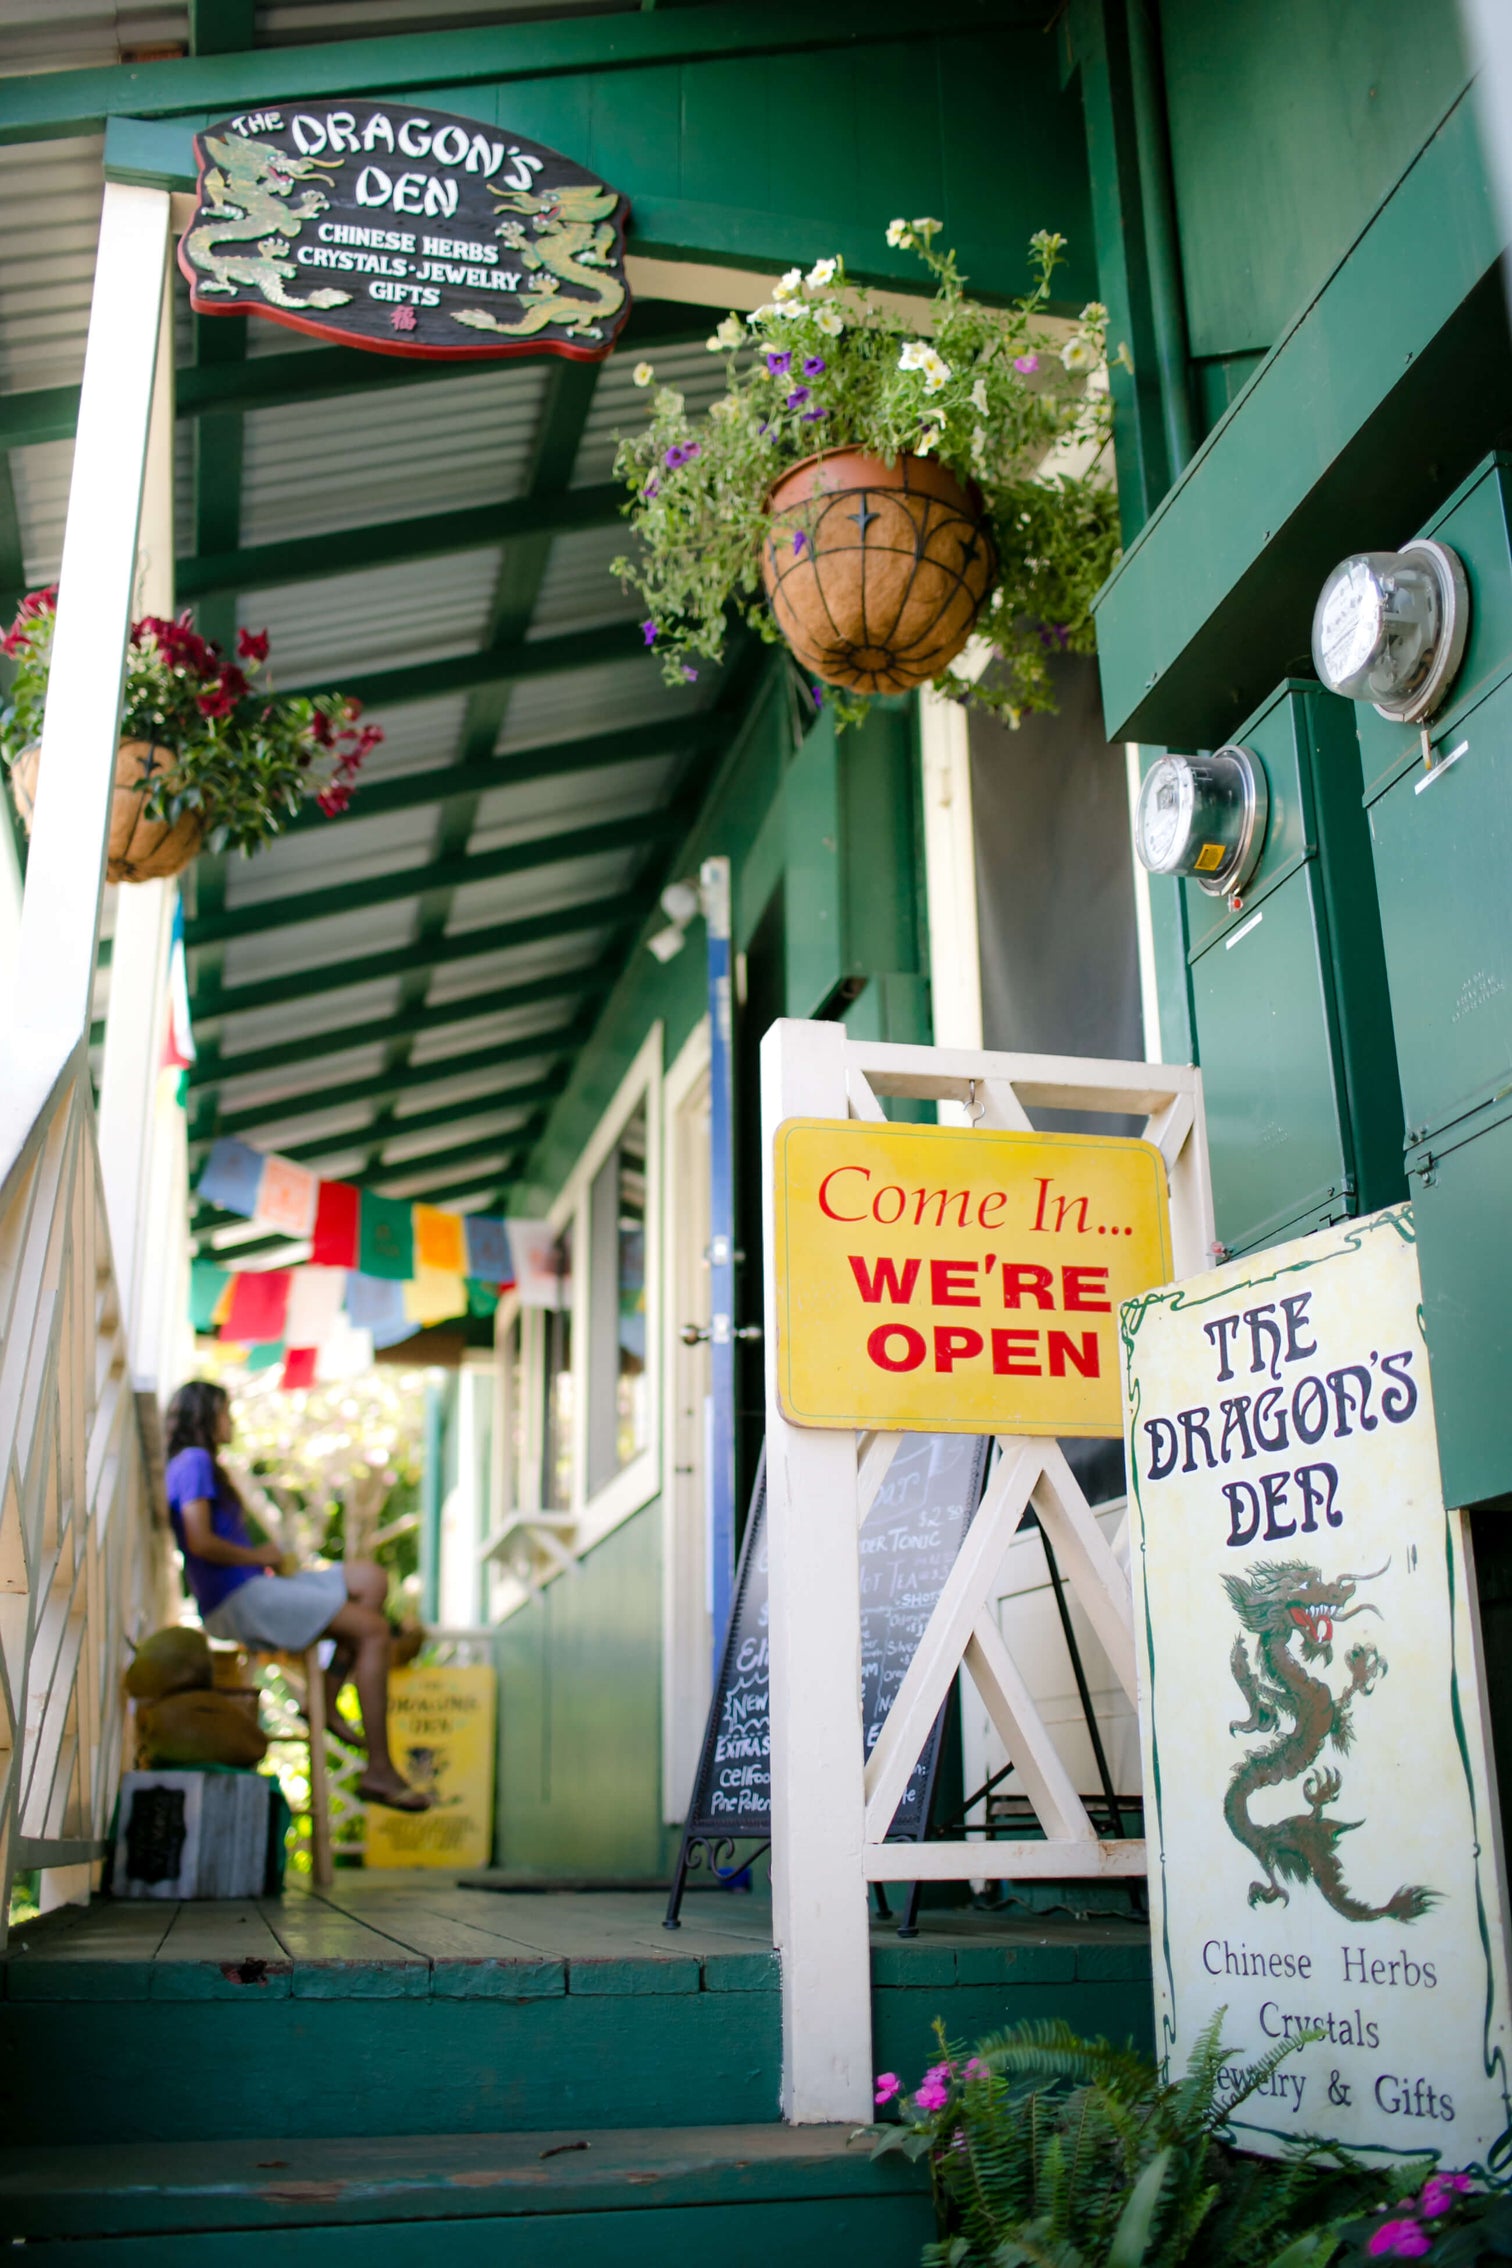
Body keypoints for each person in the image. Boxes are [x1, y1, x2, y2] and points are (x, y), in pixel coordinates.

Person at [163, 1380, 430, 1812]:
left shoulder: (200, 1463)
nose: (230, 1421)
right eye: (225, 1412)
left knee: (371, 1579)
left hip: (257, 1585)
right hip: (237, 1599)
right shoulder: (192, 1461)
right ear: (206, 1415)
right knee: (374, 1631)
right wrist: (260, 1554)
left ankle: (322, 1696)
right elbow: (200, 1541)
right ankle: (379, 1768)